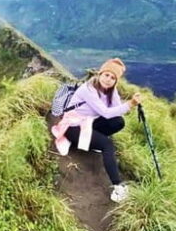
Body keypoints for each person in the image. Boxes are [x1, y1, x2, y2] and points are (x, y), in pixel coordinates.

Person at [51, 58, 142, 202]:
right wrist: (130, 104)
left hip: (87, 123)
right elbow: (105, 113)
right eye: (107, 75)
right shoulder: (88, 89)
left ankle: (94, 144)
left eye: (113, 78)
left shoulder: (111, 91)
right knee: (107, 144)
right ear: (100, 74)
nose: (108, 79)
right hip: (72, 126)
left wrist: (127, 103)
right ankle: (118, 188)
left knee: (118, 122)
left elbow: (116, 113)